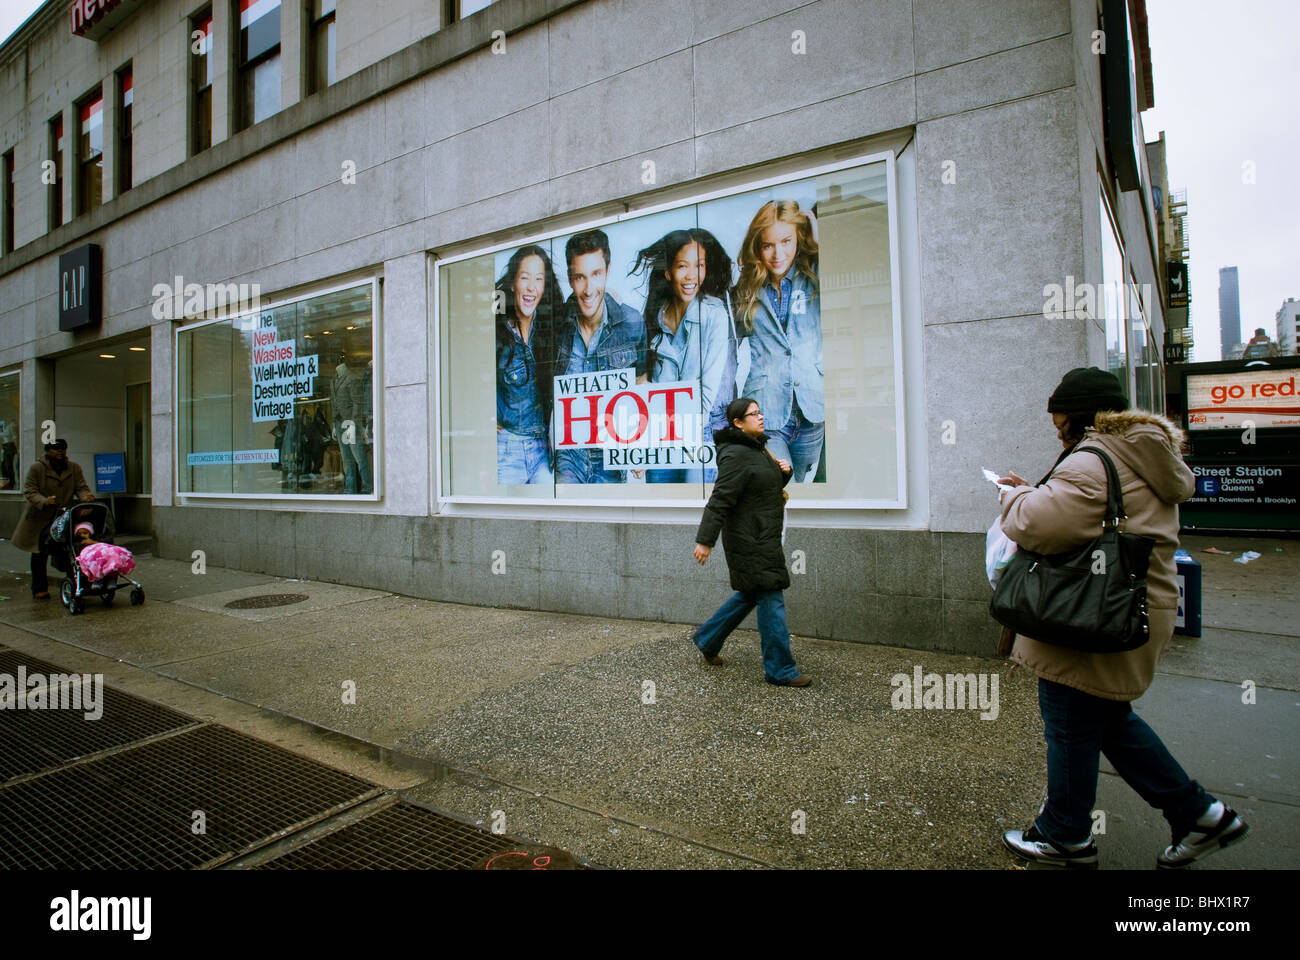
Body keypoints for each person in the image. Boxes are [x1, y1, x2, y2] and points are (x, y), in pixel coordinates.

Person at [997, 367, 1249, 869]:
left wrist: (1014, 497)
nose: (1057, 428)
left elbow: (1034, 525)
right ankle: (1199, 815)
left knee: (1070, 721)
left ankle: (1065, 835)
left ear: (1080, 415)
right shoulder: (1142, 452)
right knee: (1107, 719)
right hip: (1133, 607)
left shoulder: (1094, 459)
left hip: (1090, 613)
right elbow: (1089, 512)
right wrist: (1041, 491)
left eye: (1059, 418)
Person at [691, 397, 810, 687]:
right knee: (771, 595)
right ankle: (780, 669)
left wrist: (784, 474)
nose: (761, 417)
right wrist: (705, 541)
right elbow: (720, 499)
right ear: (737, 422)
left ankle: (708, 638)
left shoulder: (757, 449)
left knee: (750, 594)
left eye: (760, 411)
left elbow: (760, 491)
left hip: (763, 535)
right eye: (753, 414)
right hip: (751, 540)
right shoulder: (736, 455)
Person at [632, 228, 737, 484]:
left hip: (700, 432)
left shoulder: (714, 315)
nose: (692, 275)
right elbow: (646, 390)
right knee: (659, 513)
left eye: (699, 266)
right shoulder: (653, 316)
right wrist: (643, 447)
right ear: (668, 272)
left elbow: (706, 394)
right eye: (682, 266)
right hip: (660, 436)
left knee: (696, 512)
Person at [733, 199, 823, 483]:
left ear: (799, 237)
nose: (777, 253)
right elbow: (731, 345)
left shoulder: (813, 278)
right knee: (777, 487)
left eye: (786, 241)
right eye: (768, 245)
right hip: (766, 412)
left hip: (811, 408)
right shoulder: (746, 289)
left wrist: (816, 230)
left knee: (803, 494)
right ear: (757, 247)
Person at [553, 229, 648, 484]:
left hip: (611, 454)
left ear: (607, 270)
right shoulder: (555, 326)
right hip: (568, 454)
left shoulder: (631, 322)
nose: (588, 289)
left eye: (596, 274)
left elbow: (641, 385)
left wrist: (639, 447)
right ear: (570, 279)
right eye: (579, 277)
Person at [495, 244, 562, 485]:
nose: (532, 286)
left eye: (539, 279)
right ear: (513, 284)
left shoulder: (549, 331)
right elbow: (468, 373)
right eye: (525, 278)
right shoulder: (497, 333)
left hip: (543, 450)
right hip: (507, 449)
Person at [11, 439, 94, 599]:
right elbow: (29, 490)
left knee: (69, 550)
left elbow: (81, 487)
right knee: (39, 553)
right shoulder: (37, 468)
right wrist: (44, 501)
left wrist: (86, 497)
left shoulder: (74, 468)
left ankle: (76, 584)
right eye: (55, 449)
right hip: (40, 518)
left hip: (63, 516)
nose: (60, 452)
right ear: (47, 451)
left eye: (62, 448)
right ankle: (39, 588)